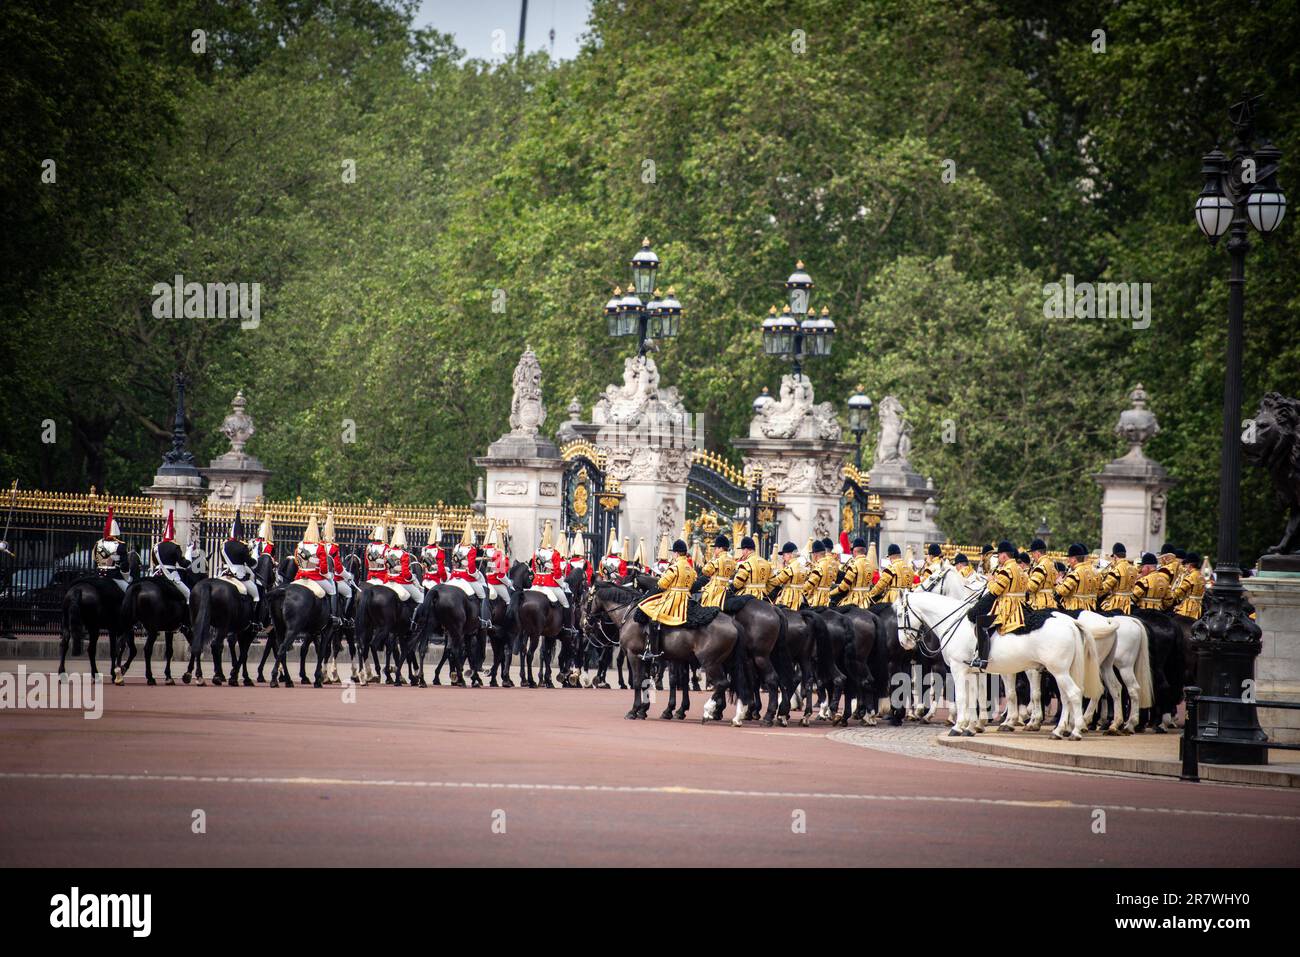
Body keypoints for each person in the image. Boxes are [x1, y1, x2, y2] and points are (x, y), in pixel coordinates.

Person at [965, 541, 1027, 670]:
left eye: (999, 556)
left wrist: (990, 581)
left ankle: (983, 659)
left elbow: (995, 591)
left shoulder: (1007, 570)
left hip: (1007, 607)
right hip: (1021, 606)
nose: (998, 558)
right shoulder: (1021, 570)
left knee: (981, 623)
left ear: (1004, 556)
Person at [635, 539, 697, 661]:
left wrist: (649, 595)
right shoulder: (690, 568)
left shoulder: (675, 567)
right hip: (687, 598)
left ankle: (653, 651)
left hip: (674, 598)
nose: (673, 555)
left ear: (677, 553)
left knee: (653, 616)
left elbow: (662, 584)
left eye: (673, 553)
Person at [293, 513, 335, 619]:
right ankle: (333, 616)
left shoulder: (300, 545)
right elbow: (323, 567)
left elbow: (297, 561)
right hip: (315, 577)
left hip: (300, 576)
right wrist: (327, 575)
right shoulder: (319, 547)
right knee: (332, 590)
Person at [218, 509, 259, 604]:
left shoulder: (223, 545)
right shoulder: (243, 546)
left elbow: (223, 560)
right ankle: (253, 617)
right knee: (256, 595)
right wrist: (255, 560)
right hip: (239, 574)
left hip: (225, 571)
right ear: (241, 534)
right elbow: (251, 563)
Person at [152, 508, 190, 600]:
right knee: (188, 594)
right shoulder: (175, 546)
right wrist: (189, 560)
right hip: (171, 575)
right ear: (173, 534)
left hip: (156, 574)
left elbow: (154, 562)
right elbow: (182, 563)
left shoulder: (155, 546)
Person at [1053, 542, 1100, 612]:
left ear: (1074, 559)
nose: (1068, 561)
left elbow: (1062, 591)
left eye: (1069, 558)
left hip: (1075, 610)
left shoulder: (1075, 574)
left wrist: (1057, 584)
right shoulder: (1095, 572)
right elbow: (1101, 590)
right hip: (1091, 608)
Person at [832, 537, 874, 607]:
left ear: (854, 551)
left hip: (854, 600)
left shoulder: (853, 565)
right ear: (865, 551)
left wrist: (830, 593)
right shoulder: (870, 565)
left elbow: (843, 587)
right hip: (867, 600)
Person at [1098, 542, 1137, 614]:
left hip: (1117, 603)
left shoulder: (1116, 570)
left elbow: (1105, 588)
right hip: (1129, 602)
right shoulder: (1133, 569)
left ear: (1115, 556)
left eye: (1113, 557)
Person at [699, 534, 735, 608]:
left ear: (720, 548)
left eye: (715, 548)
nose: (714, 550)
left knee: (704, 600)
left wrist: (712, 559)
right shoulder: (732, 561)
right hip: (727, 588)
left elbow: (705, 571)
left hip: (715, 589)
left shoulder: (717, 560)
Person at [768, 541, 808, 609]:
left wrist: (769, 575)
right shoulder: (802, 566)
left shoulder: (790, 567)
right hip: (801, 598)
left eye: (784, 555)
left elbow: (776, 582)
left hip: (789, 598)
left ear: (790, 555)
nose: (783, 558)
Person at [803, 539, 837, 608]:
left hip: (817, 600)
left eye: (812, 554)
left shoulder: (819, 567)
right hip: (828, 598)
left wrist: (799, 588)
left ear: (815, 554)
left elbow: (809, 585)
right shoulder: (830, 566)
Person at [1173, 552, 1207, 620]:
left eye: (1186, 564)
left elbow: (1179, 592)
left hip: (1189, 608)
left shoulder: (1190, 577)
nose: (1185, 566)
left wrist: (1169, 594)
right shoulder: (1201, 576)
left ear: (1190, 565)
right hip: (1199, 607)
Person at [1025, 539, 1056, 610]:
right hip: (1051, 601)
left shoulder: (1041, 567)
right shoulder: (1051, 564)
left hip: (1040, 604)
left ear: (1037, 553)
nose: (1032, 557)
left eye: (1032, 554)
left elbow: (1031, 587)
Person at [420, 521, 448, 587]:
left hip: (425, 578)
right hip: (436, 579)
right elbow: (441, 569)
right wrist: (444, 578)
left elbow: (422, 565)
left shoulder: (424, 549)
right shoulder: (439, 550)